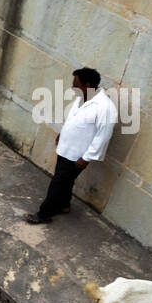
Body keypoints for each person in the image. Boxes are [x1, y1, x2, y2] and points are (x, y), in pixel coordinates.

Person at [25, 67, 116, 224]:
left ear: (87, 85)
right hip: (66, 148)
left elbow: (103, 136)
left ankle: (44, 214)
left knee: (58, 183)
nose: (73, 88)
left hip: (77, 155)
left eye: (76, 85)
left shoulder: (105, 107)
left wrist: (86, 158)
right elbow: (73, 119)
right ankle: (64, 206)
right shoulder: (83, 97)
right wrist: (63, 133)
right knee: (65, 181)